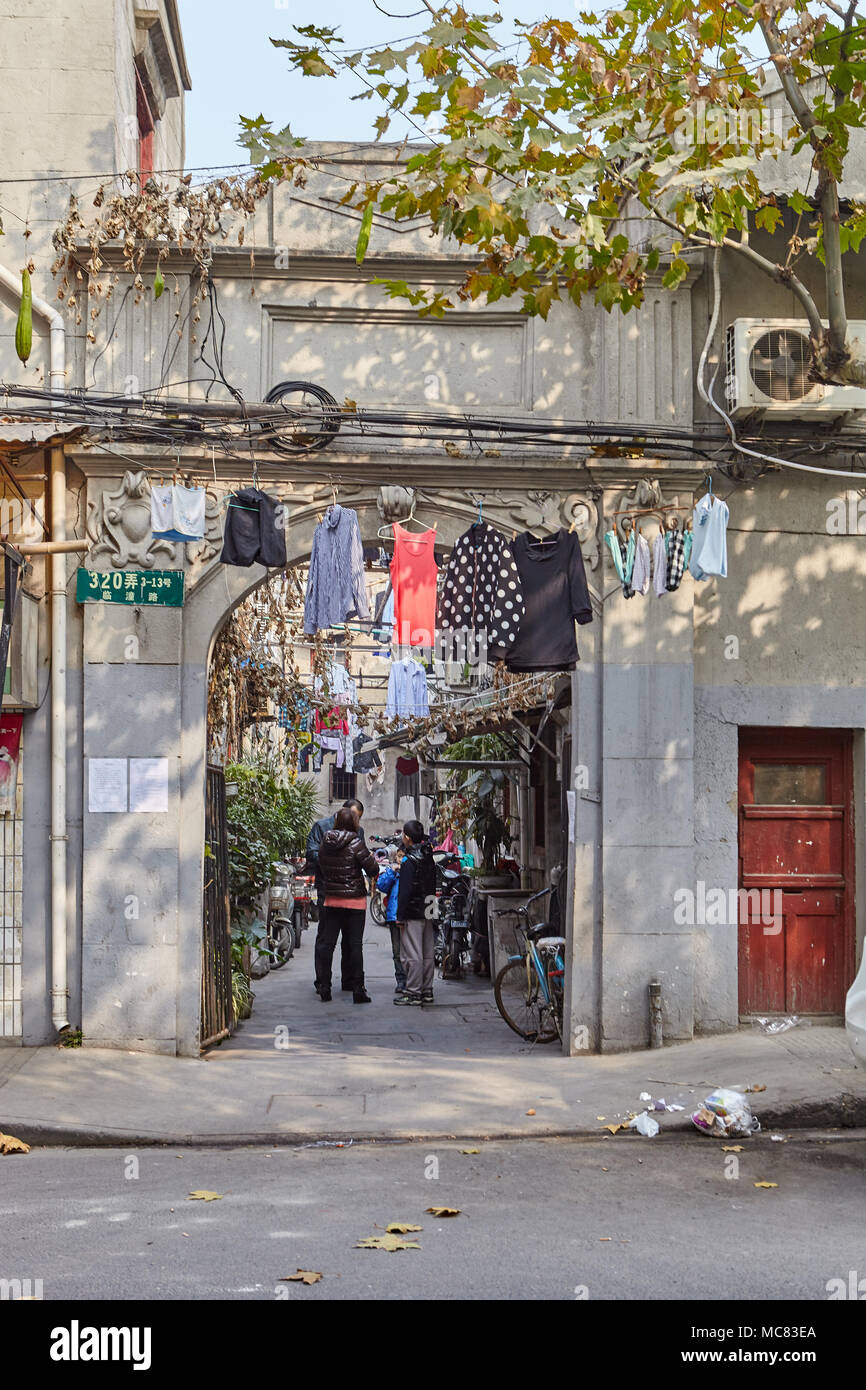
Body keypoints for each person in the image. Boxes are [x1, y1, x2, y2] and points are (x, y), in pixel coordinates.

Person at [315, 806, 380, 1004]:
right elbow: (373, 869)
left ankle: (325, 987)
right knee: (355, 946)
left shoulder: (325, 842)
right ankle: (358, 990)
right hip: (354, 902)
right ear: (353, 823)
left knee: (328, 945)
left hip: (332, 899)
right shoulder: (356, 843)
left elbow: (321, 864)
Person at [306, 798, 366, 992]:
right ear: (345, 813)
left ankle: (348, 981)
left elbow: (363, 858)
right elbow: (312, 853)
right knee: (326, 938)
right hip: (328, 889)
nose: (357, 822)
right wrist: (336, 862)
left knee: (350, 940)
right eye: (355, 817)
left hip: (347, 892)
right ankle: (322, 981)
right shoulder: (321, 827)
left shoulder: (359, 831)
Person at [393, 819, 437, 1006]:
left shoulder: (409, 861)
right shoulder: (428, 856)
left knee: (412, 953)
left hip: (413, 910)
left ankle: (413, 992)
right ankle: (427, 990)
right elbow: (433, 885)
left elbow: (405, 891)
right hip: (428, 908)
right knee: (427, 951)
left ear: (408, 838)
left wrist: (400, 915)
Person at [376, 846, 407, 996]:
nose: (401, 860)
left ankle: (412, 979)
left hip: (408, 916)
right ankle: (401, 980)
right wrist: (391, 872)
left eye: (403, 857)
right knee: (397, 952)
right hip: (394, 917)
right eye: (399, 856)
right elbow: (381, 885)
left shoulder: (411, 872)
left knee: (410, 951)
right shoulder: (393, 873)